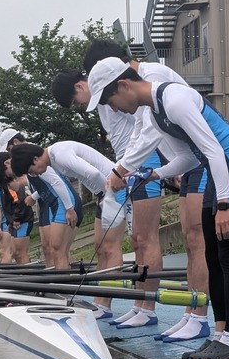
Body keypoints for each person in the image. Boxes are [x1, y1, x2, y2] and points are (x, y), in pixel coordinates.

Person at [87, 57, 229, 359]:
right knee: (213, 257)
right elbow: (189, 159)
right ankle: (219, 336)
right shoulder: (155, 113)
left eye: (109, 100)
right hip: (218, 174)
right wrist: (156, 174)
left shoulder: (175, 98)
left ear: (124, 85)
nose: (112, 108)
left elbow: (214, 150)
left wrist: (223, 203)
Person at [81, 40, 211, 341]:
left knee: (196, 239)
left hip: (202, 159)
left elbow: (150, 133)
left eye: (110, 95)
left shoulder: (154, 76)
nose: (112, 105)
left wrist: (122, 170)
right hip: (187, 161)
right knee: (189, 241)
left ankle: (198, 315)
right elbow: (147, 129)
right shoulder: (140, 88)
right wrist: (169, 167)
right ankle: (191, 312)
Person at [52, 67, 161, 329]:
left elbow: (146, 128)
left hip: (139, 165)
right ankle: (139, 305)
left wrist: (122, 171)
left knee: (146, 240)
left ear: (80, 86)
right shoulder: (103, 103)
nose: (80, 106)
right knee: (136, 242)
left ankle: (148, 307)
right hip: (126, 168)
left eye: (75, 101)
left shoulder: (117, 93)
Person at [9, 140, 129, 321]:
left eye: (30, 170)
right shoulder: (54, 158)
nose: (33, 175)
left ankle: (105, 304)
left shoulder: (60, 154)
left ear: (35, 160)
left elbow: (94, 173)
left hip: (114, 190)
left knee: (110, 247)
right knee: (100, 247)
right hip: (104, 193)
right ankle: (100, 303)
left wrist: (108, 196)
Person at [0, 130, 83, 269]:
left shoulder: (33, 155)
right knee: (52, 249)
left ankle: (62, 287)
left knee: (57, 250)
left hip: (61, 203)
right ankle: (55, 284)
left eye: (9, 150)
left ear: (15, 142)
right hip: (52, 203)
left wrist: (69, 208)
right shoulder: (26, 159)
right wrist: (33, 196)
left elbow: (56, 182)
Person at [0, 152, 34, 264]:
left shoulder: (12, 179)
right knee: (16, 254)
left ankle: (26, 278)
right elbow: (7, 204)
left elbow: (19, 199)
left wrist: (16, 219)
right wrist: (10, 222)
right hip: (13, 221)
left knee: (20, 253)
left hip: (22, 219)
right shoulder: (4, 182)